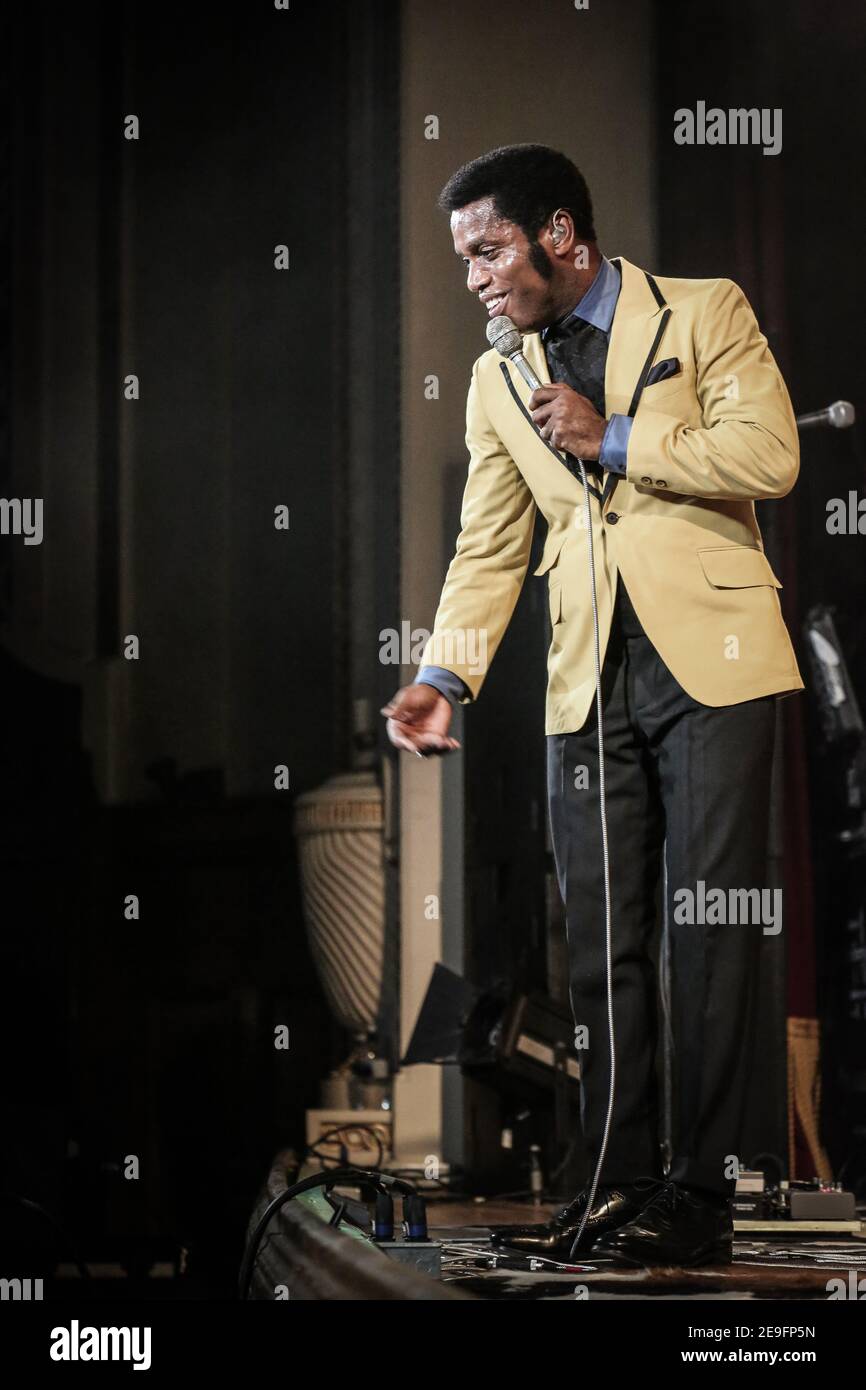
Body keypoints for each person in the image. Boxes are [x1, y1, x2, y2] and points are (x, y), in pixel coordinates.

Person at [381, 144, 803, 1268]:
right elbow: (489, 545)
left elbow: (769, 454)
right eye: (462, 257)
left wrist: (614, 435)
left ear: (558, 234)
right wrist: (441, 672)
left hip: (713, 654)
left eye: (487, 250)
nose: (471, 277)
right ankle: (610, 1179)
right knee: (599, 942)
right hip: (587, 673)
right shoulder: (494, 379)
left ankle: (700, 1192)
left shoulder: (702, 311)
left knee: (706, 929)